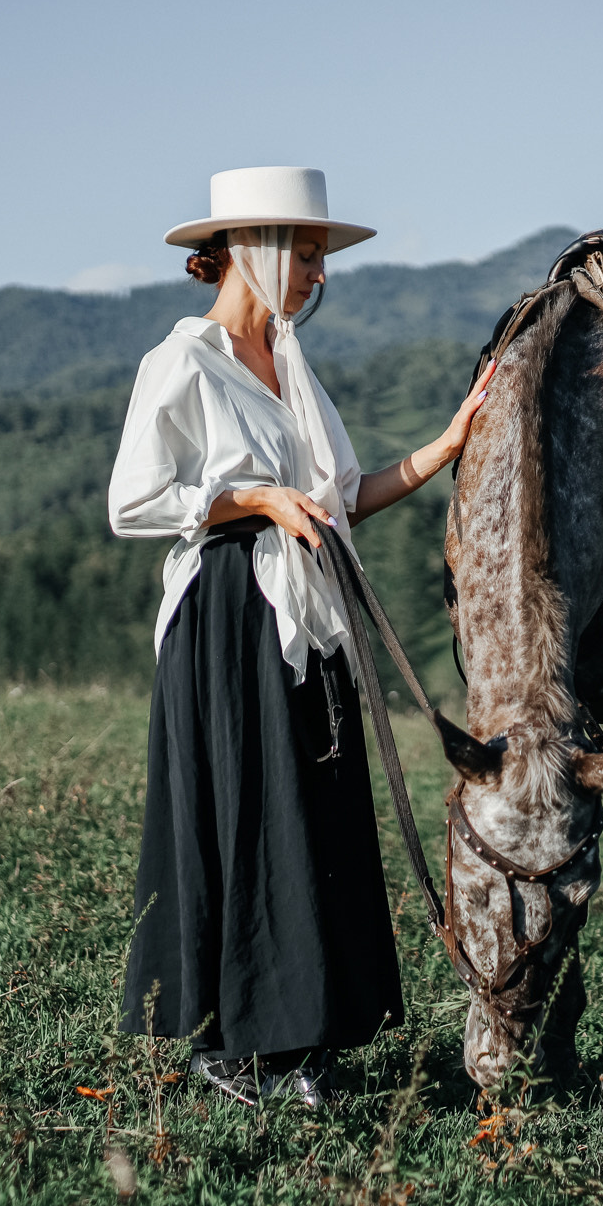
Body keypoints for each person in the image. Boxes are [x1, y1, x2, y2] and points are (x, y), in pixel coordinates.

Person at [107, 167, 493, 1107]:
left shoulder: (291, 362)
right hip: (230, 618)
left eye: (321, 257)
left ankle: (303, 1039)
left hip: (306, 608)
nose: (318, 274)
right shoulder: (184, 362)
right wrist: (249, 497)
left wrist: (443, 448)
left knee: (312, 808)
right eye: (308, 254)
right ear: (256, 249)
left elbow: (342, 496)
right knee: (248, 812)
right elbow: (133, 502)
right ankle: (229, 1048)